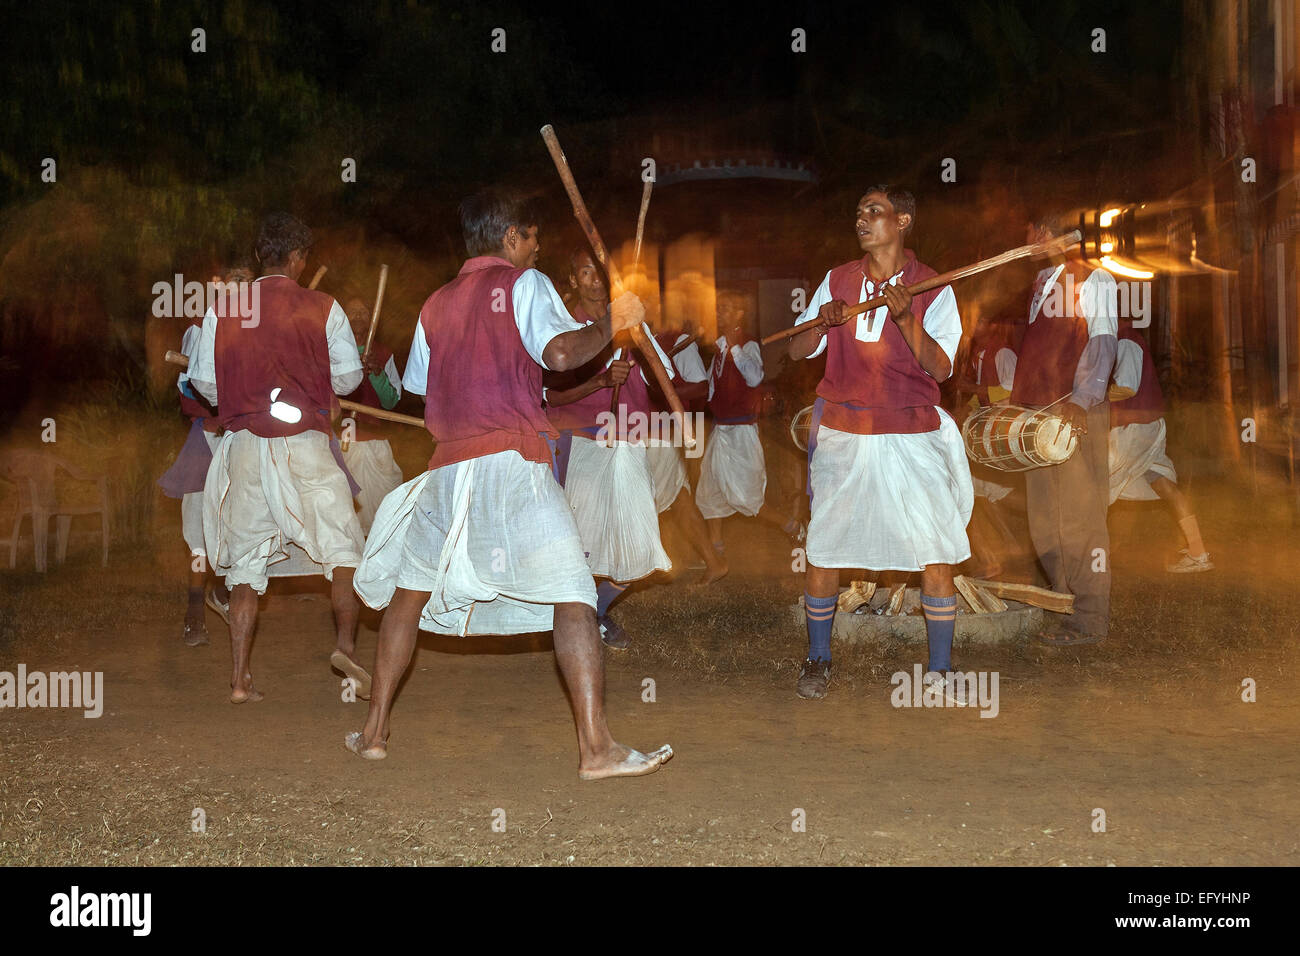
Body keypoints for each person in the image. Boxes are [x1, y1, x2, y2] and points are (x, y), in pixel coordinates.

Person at [350, 190, 673, 780]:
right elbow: (559, 351)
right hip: (514, 462)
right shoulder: (526, 284)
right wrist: (612, 320)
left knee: (410, 592)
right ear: (510, 238)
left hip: (447, 467)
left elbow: (423, 388)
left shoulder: (435, 303)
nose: (538, 246)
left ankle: (373, 732)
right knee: (575, 594)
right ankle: (595, 749)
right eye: (531, 236)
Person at [787, 186, 970, 700]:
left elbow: (941, 367)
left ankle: (939, 670)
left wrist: (905, 316)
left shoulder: (933, 285)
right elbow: (799, 349)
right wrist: (820, 321)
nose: (862, 220)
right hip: (844, 433)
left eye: (875, 212)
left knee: (936, 551)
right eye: (859, 211)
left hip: (911, 434)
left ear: (903, 220)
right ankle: (818, 659)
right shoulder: (837, 280)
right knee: (824, 549)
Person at [188, 213, 371, 703]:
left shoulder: (224, 309)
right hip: (305, 444)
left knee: (246, 565)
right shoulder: (323, 306)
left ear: (258, 257)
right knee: (343, 551)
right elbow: (350, 380)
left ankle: (240, 679)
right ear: (298, 258)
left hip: (244, 446)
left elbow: (204, 385)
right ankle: (347, 655)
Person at [544, 248, 674, 649]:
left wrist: (636, 329)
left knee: (639, 544)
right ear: (572, 281)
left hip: (628, 443)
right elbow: (551, 397)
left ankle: (596, 610)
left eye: (599, 272)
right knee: (580, 549)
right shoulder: (563, 327)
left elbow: (666, 376)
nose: (594, 281)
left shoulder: (629, 318)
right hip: (581, 444)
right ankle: (576, 622)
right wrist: (599, 384)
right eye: (585, 273)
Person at [1010, 211, 1119, 645]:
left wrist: (1080, 401)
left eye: (1033, 233)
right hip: (1038, 420)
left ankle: (1090, 618)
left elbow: (1102, 341)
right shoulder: (1041, 287)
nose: (1029, 242)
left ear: (1050, 234)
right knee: (1044, 519)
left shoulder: (1095, 280)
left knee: (1080, 519)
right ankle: (1063, 604)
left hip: (1074, 414)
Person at [158, 262, 248, 645]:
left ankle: (224, 592)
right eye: (234, 288)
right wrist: (218, 396)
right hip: (207, 442)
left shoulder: (258, 333)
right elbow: (188, 395)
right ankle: (195, 607)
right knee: (199, 535)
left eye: (247, 290)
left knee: (244, 525)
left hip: (244, 443)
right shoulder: (199, 329)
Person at [695, 288, 804, 556]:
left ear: (740, 314)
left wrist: (733, 347)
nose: (720, 312)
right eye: (718, 308)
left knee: (748, 498)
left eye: (727, 308)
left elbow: (755, 378)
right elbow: (711, 388)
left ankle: (793, 526)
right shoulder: (719, 346)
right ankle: (717, 553)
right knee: (709, 492)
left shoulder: (748, 344)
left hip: (742, 432)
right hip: (721, 429)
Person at [1108, 318, 1212, 572]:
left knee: (1097, 487)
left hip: (1133, 429)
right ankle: (1199, 553)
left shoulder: (1125, 340)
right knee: (1165, 485)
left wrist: (1088, 395)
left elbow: (1127, 388)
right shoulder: (1126, 338)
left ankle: (1092, 561)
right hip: (1148, 427)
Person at [648, 321, 728, 583]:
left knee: (648, 497)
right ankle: (713, 563)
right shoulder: (638, 337)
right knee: (678, 498)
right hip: (639, 428)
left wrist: (660, 394)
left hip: (662, 430)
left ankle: (639, 568)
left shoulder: (678, 340)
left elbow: (701, 387)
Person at [339, 295, 405, 534]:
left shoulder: (383, 354)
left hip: (375, 443)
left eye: (363, 312)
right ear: (342, 318)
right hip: (340, 442)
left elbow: (391, 403)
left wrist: (377, 373)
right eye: (352, 311)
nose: (358, 316)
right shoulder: (331, 350)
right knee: (344, 520)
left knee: (381, 520)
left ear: (372, 319)